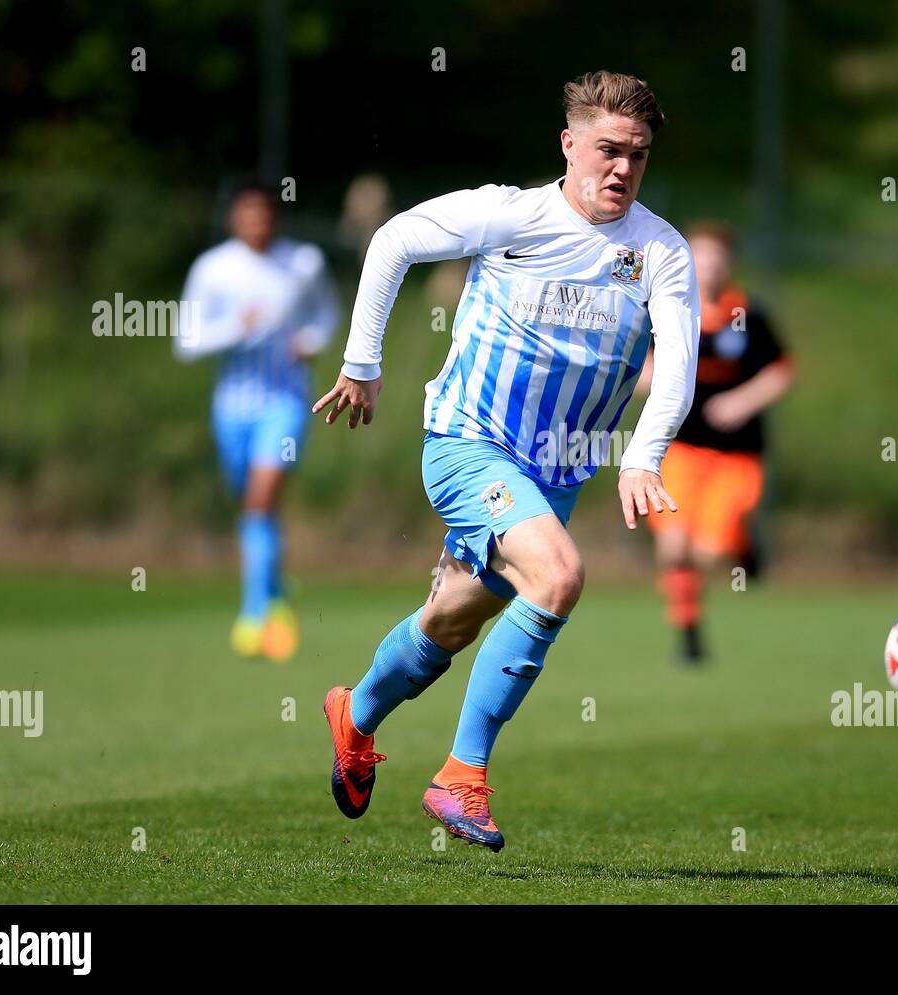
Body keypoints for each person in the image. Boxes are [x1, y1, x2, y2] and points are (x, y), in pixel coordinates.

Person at [311, 70, 699, 851]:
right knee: (559, 576)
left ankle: (355, 715)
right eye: (608, 150)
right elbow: (393, 241)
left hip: (552, 478)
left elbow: (681, 362)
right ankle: (462, 776)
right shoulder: (512, 214)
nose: (622, 168)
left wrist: (642, 456)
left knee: (449, 624)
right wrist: (362, 361)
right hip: (467, 443)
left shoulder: (660, 251)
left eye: (639, 155)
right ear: (569, 145)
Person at [175, 180, 341, 661]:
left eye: (265, 213)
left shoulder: (303, 262)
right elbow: (186, 342)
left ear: (276, 217)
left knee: (262, 499)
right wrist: (235, 329)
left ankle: (252, 615)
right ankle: (275, 592)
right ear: (235, 218)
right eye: (248, 214)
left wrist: (310, 340)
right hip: (231, 406)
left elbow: (328, 315)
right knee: (252, 509)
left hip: (286, 401)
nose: (258, 222)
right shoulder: (213, 269)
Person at [637, 221, 796, 663]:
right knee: (674, 548)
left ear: (728, 263)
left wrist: (741, 402)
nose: (707, 265)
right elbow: (640, 372)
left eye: (716, 256)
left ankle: (744, 547)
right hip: (680, 449)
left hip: (737, 455)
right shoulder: (667, 313)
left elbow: (780, 370)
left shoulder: (748, 316)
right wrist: (651, 381)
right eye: (699, 255)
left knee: (709, 552)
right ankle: (688, 635)